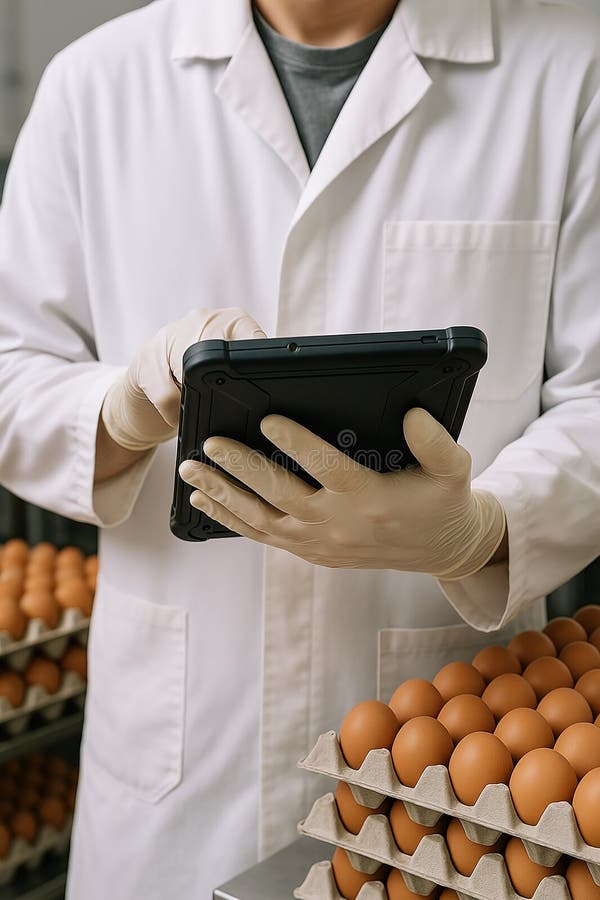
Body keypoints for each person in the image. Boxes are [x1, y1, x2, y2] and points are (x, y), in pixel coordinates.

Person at [0, 0, 599, 896]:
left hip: (446, 785)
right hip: (178, 768)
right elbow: (10, 371)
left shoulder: (569, 71)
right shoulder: (97, 84)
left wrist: (484, 531)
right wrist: (118, 411)